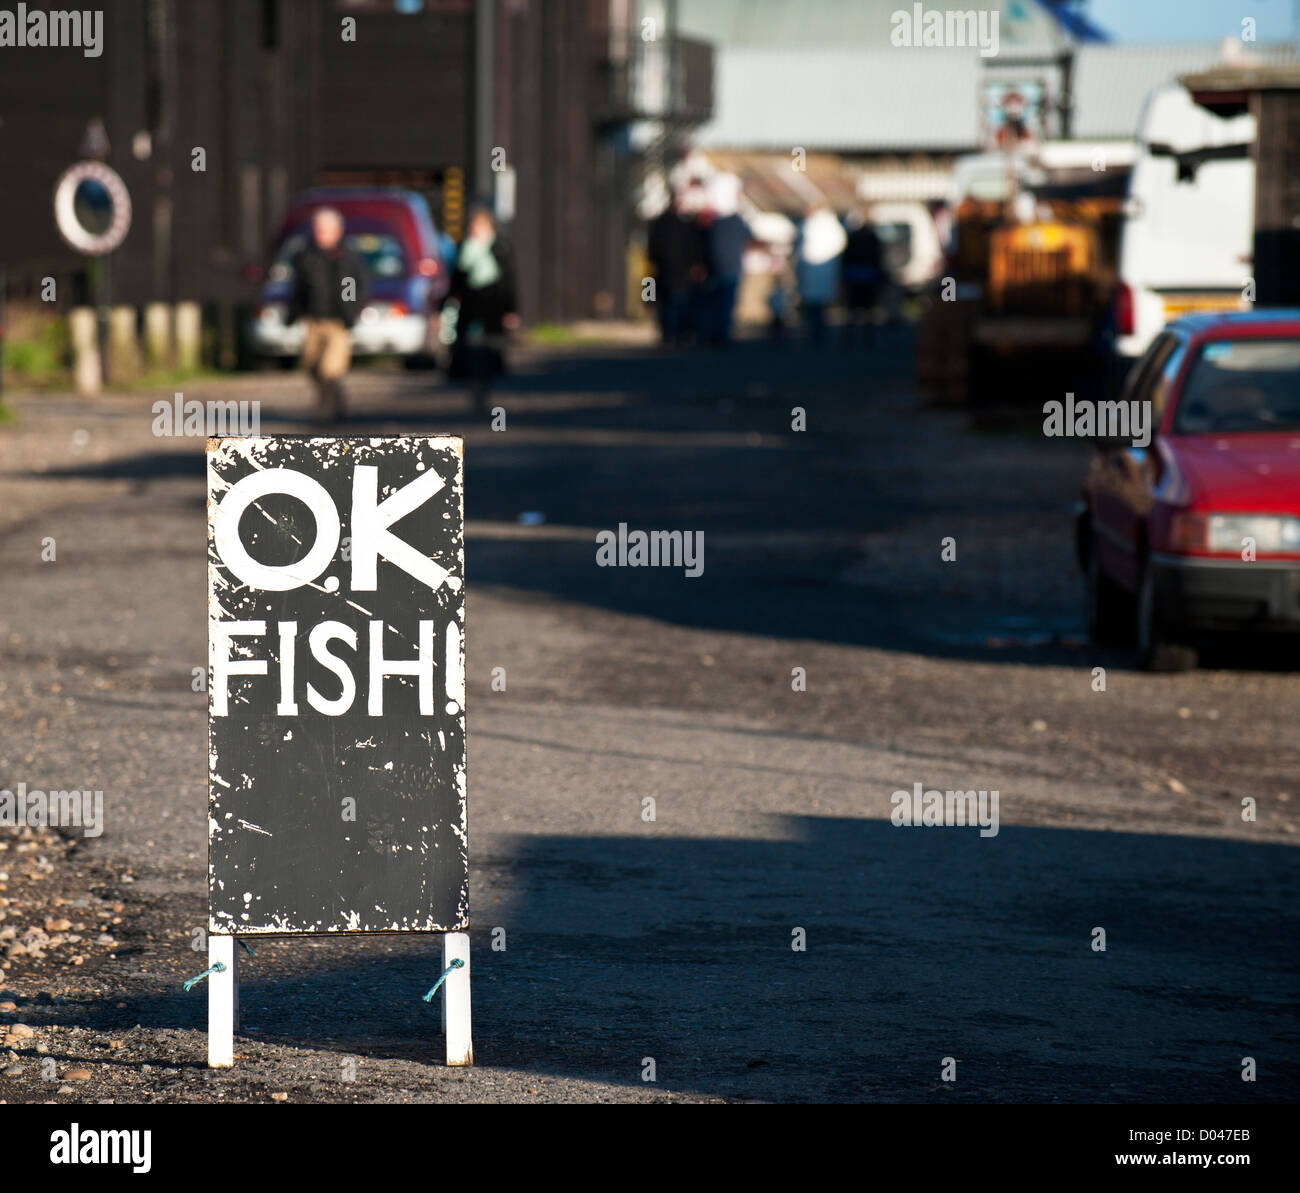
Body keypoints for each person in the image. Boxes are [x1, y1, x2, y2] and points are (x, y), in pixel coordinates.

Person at [287, 207, 367, 422]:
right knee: (312, 367)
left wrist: (349, 311)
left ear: (338, 231)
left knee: (330, 369)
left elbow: (352, 285)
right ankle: (334, 399)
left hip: (337, 323)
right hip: (313, 321)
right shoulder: (306, 255)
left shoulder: (347, 256)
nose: (321, 235)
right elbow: (299, 287)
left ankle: (327, 410)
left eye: (326, 230)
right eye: (318, 230)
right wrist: (293, 313)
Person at [442, 205, 518, 413]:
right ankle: (475, 392)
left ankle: (486, 389)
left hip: (493, 308)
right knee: (470, 350)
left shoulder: (500, 247)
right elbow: (456, 281)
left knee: (490, 349)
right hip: (470, 308)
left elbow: (509, 281)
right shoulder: (463, 248)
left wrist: (511, 310)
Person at [647, 187, 706, 345]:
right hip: (678, 273)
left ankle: (668, 334)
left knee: (666, 304)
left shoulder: (658, 223)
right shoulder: (684, 224)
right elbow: (692, 249)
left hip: (664, 272)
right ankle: (677, 334)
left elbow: (651, 251)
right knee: (678, 304)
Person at [794, 204, 847, 346]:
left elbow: (801, 250)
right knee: (818, 307)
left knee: (814, 308)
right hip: (821, 273)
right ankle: (817, 334)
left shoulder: (811, 226)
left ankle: (815, 335)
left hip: (814, 272)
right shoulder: (832, 226)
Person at [842, 210, 883, 345]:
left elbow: (846, 258)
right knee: (868, 310)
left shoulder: (853, 237)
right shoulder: (873, 238)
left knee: (853, 311)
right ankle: (868, 338)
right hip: (868, 276)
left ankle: (851, 338)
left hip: (854, 275)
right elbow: (878, 258)